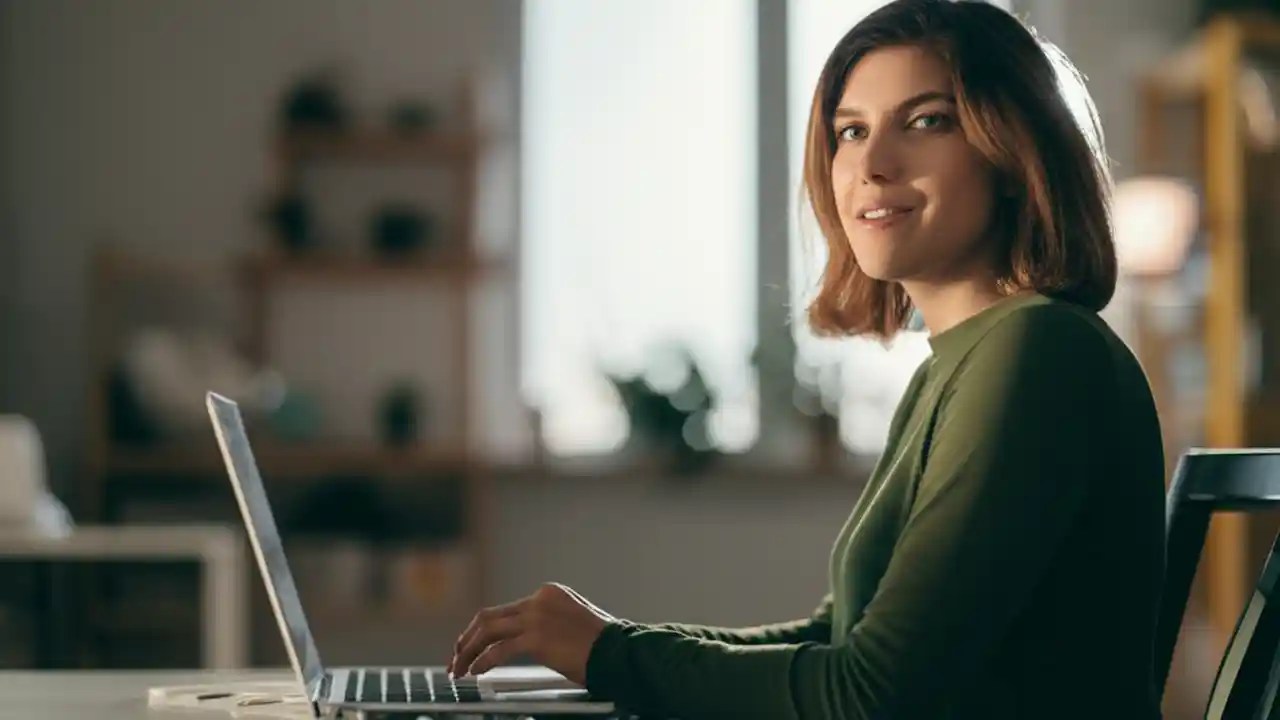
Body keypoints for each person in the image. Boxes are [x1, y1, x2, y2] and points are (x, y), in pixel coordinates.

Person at [447, 0, 1167, 717]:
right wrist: (609, 647)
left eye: (926, 121)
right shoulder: (959, 365)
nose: (871, 165)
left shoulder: (1038, 353)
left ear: (1013, 152)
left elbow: (869, 695)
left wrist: (612, 654)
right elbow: (837, 638)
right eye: (851, 131)